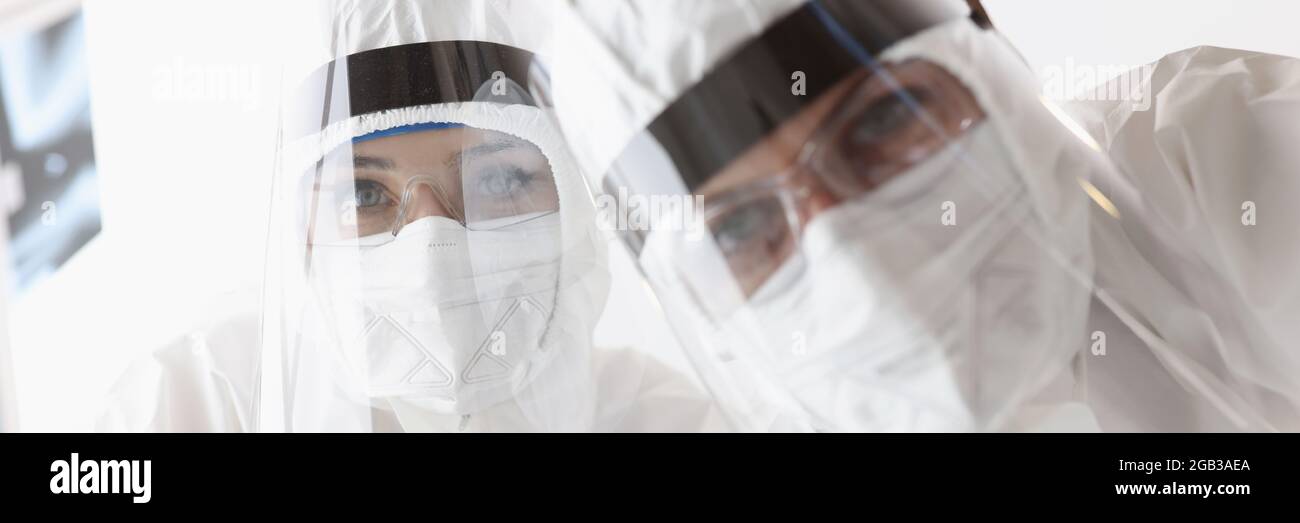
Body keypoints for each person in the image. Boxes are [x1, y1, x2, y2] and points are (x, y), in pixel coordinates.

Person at [539, 0, 1300, 431]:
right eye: (739, 227)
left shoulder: (1228, 166)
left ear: (991, 75)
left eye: (884, 122)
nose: (857, 258)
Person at [98, 0, 722, 433]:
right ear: (296, 231)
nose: (432, 250)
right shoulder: (195, 404)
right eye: (364, 196)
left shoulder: (666, 420)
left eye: (498, 180)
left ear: (576, 203)